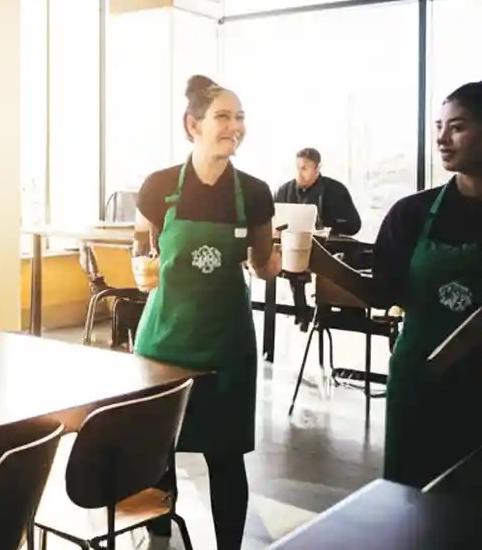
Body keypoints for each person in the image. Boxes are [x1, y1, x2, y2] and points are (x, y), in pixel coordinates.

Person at [132, 75, 281, 550]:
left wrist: (288, 257)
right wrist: (140, 267)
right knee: (158, 452)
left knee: (226, 454)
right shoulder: (158, 188)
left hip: (226, 347)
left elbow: (263, 265)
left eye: (240, 118)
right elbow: (141, 244)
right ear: (192, 125)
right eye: (223, 116)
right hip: (164, 344)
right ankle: (160, 540)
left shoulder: (254, 194)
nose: (235, 127)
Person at [368, 81, 482, 487]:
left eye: (458, 126)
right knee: (410, 505)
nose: (442, 138)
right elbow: (384, 292)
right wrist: (322, 268)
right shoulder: (411, 213)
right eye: (439, 126)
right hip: (419, 386)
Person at [273, 147, 363, 236]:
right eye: (297, 168)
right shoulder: (283, 191)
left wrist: (328, 225)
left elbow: (354, 226)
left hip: (326, 246)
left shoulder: (336, 190)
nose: (299, 174)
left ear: (317, 168)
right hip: (289, 245)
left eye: (304, 169)